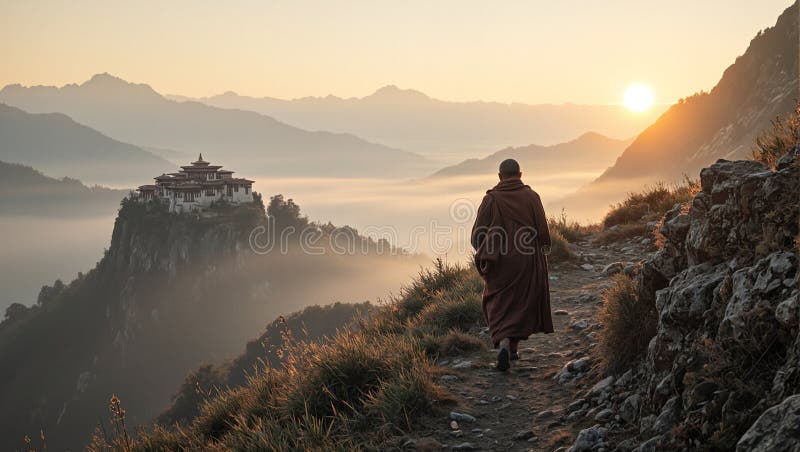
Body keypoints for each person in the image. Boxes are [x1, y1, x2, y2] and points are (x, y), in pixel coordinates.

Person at [470, 158, 554, 371]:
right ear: (520, 174)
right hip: (527, 258)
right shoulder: (532, 197)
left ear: (500, 177)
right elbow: (543, 232)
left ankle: (506, 345)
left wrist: (486, 251)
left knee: (499, 301)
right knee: (522, 301)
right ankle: (512, 348)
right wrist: (544, 249)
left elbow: (477, 235)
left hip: (499, 261)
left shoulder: (491, 199)